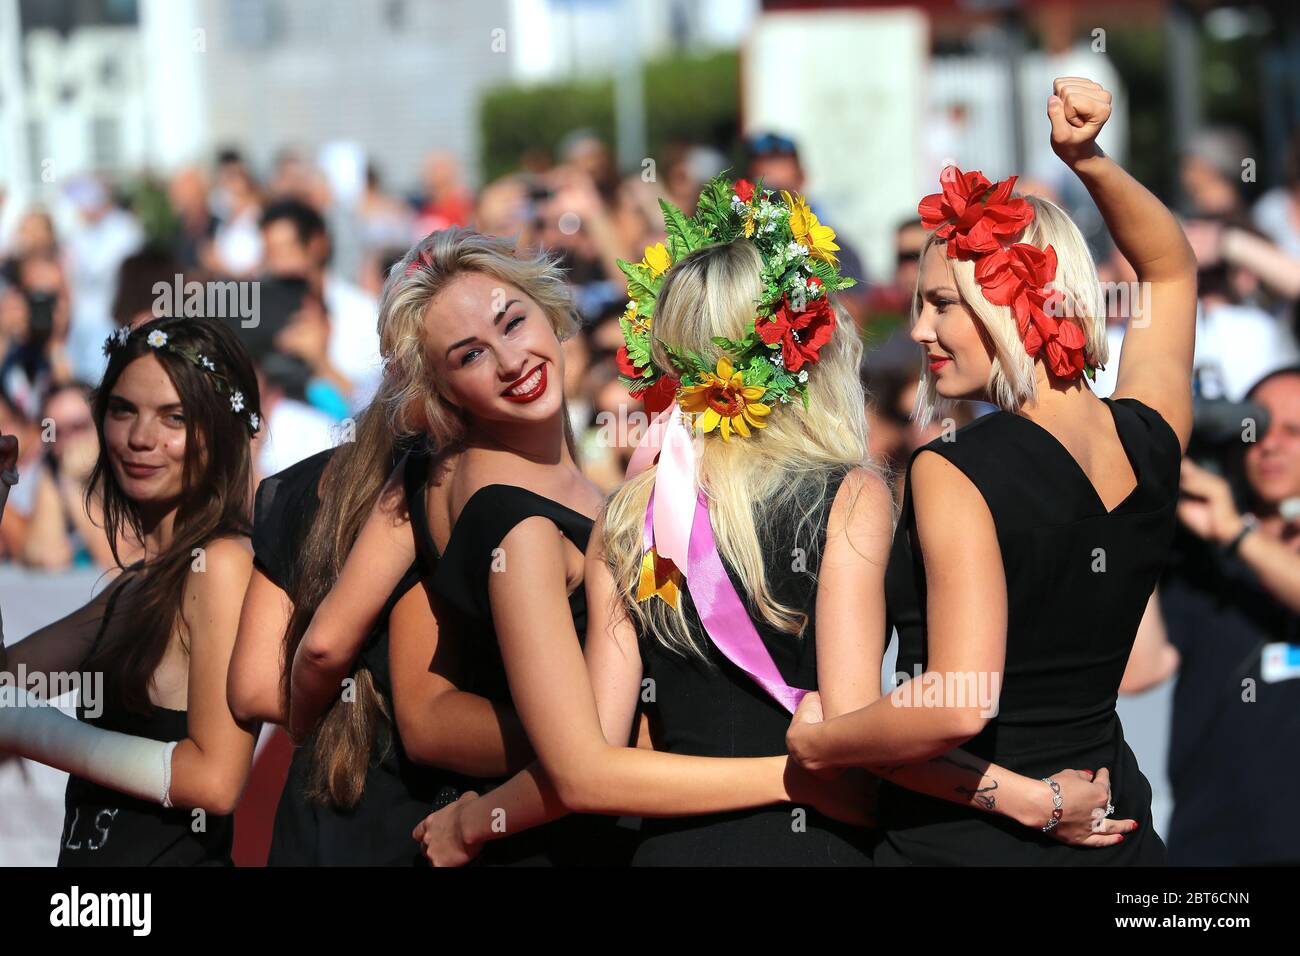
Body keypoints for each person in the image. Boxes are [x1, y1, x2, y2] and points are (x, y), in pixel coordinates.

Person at [407, 178, 1119, 866]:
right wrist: (1028, 799)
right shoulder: (853, 497)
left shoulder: (629, 517)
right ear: (803, 344)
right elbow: (852, 741)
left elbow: (586, 771)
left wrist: (477, 819)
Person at [786, 77, 1195, 865]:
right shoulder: (1151, 434)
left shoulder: (955, 468)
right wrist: (1089, 159)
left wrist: (826, 741)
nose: (917, 329)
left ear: (1010, 302)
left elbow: (956, 705)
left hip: (973, 844)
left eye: (941, 303)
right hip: (1121, 832)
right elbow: (1171, 272)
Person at [0, 317, 262, 865]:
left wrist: (31, 730)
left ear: (221, 430)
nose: (141, 438)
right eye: (123, 410)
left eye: (175, 417)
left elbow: (215, 780)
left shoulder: (220, 565)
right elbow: (5, 689)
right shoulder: (135, 585)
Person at [1122, 366, 1300, 866]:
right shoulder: (1200, 555)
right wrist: (1146, 517)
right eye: (1257, 429)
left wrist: (1237, 533)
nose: (1269, 445)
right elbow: (1140, 672)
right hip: (1212, 848)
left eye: (1293, 432)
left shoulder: (1228, 534)